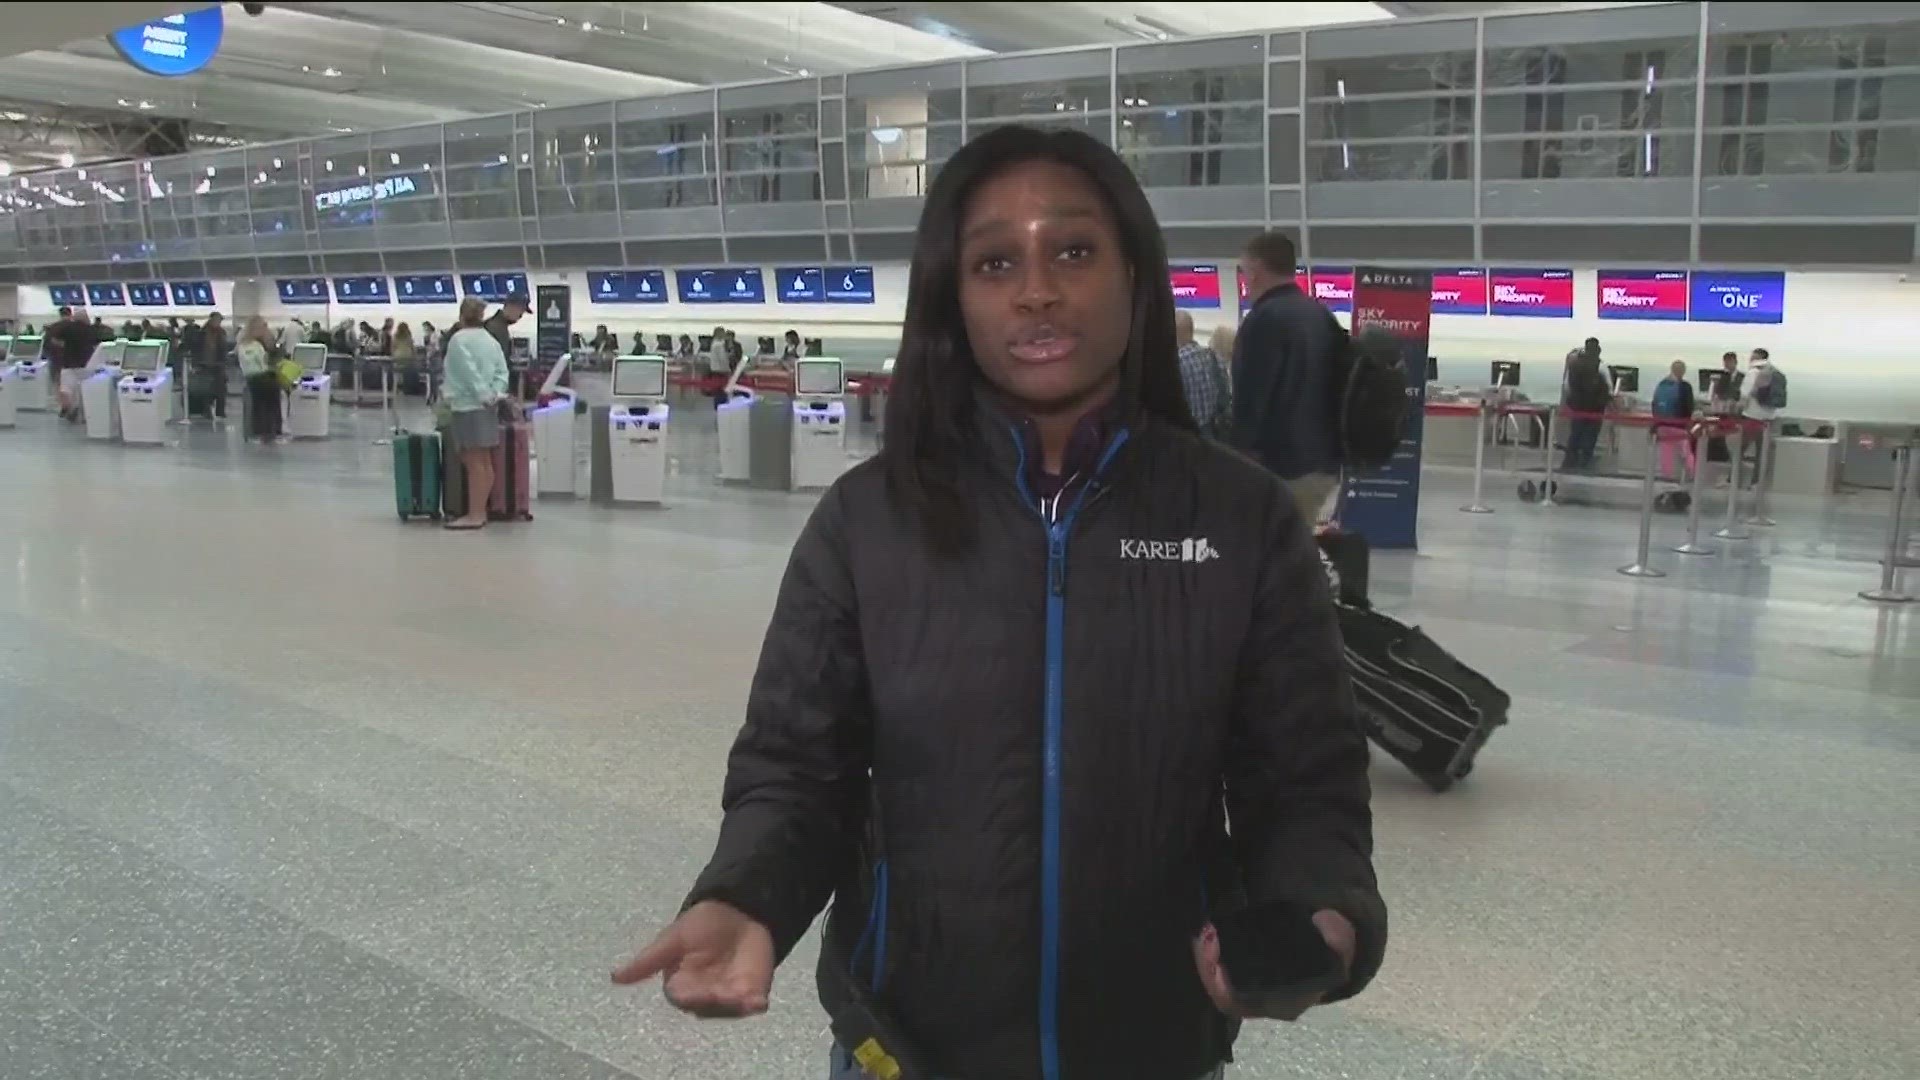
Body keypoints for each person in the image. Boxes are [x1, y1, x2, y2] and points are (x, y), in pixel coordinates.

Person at [613, 124, 1385, 1080]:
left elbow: (1305, 782)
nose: (1036, 290)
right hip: (907, 1046)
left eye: (1072, 250)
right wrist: (745, 896)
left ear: (1135, 276)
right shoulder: (869, 523)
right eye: (994, 263)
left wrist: (1318, 924)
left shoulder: (1241, 519)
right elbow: (796, 767)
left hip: (1155, 1046)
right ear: (955, 300)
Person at [1231, 230, 1343, 520]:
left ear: (1256, 270)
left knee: (1265, 555)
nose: (1245, 282)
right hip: (1323, 462)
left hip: (1282, 468)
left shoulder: (1263, 319)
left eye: (1244, 272)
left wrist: (1238, 462)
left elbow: (1252, 400)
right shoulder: (1320, 315)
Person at [442, 297, 511, 531]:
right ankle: (480, 511)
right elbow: (503, 371)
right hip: (489, 407)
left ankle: (475, 514)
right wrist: (495, 394)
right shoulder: (491, 341)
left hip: (467, 406)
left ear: (462, 315)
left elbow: (468, 372)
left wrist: (482, 395)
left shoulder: (458, 340)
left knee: (472, 462)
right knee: (485, 462)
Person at [1175, 311, 1231, 438]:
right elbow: (1226, 393)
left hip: (1189, 436)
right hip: (1216, 432)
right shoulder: (1214, 357)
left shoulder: (1175, 364)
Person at [1559, 344, 1612, 471]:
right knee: (1590, 436)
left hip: (1578, 408)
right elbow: (1609, 387)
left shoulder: (1574, 365)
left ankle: (1570, 463)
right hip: (1595, 409)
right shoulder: (1601, 367)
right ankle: (1585, 464)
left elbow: (1567, 387)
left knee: (1575, 434)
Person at [238, 315, 283, 444]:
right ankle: (272, 432)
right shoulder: (258, 345)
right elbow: (263, 364)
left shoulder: (243, 345)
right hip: (263, 377)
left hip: (251, 378)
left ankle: (259, 433)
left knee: (258, 406)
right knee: (272, 405)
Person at [1650, 359, 1696, 481]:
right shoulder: (1685, 387)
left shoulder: (1661, 384)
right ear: (1683, 371)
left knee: (1666, 454)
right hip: (1679, 426)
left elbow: (1654, 404)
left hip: (1662, 426)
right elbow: (1689, 407)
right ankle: (1693, 475)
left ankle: (1667, 478)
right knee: (1686, 453)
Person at [201, 312, 229, 422]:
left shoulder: (221, 332)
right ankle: (207, 410)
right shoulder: (203, 332)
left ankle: (220, 411)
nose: (219, 322)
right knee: (207, 389)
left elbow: (223, 348)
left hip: (218, 364)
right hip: (206, 364)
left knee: (221, 389)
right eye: (218, 320)